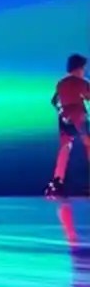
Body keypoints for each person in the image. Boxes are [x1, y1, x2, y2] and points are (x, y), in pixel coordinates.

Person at [46, 54, 90, 199]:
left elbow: (54, 100)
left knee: (65, 148)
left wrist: (61, 110)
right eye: (83, 68)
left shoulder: (61, 83)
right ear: (78, 68)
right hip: (78, 116)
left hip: (64, 117)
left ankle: (57, 181)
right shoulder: (82, 82)